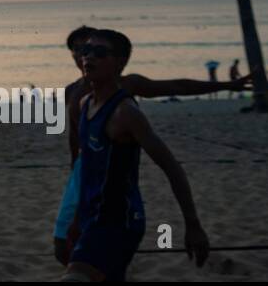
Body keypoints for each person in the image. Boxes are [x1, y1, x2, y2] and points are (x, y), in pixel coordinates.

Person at [53, 25, 248, 265]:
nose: (87, 55)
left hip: (117, 210)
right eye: (83, 49)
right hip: (86, 178)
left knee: (80, 268)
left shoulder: (126, 100)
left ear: (118, 61)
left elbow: (178, 88)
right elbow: (77, 139)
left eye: (98, 51)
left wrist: (227, 86)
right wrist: (75, 177)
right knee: (65, 250)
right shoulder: (78, 97)